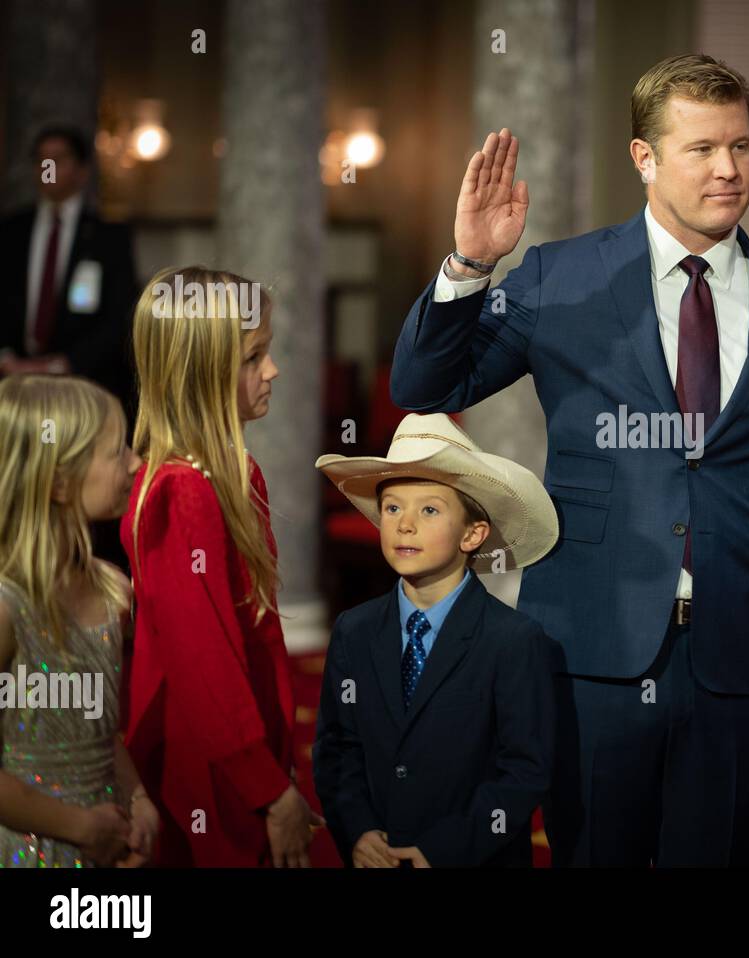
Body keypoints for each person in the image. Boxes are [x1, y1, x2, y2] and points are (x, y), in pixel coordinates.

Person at [390, 54, 749, 866]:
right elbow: (426, 381)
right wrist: (471, 266)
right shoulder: (559, 277)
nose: (729, 169)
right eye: (702, 149)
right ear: (644, 158)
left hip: (735, 660)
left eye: (742, 147)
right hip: (591, 654)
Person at [121, 266, 321, 866]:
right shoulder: (179, 492)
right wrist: (266, 789)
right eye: (254, 356)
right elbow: (202, 661)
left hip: (247, 750)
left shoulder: (235, 473)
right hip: (207, 772)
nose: (273, 370)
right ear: (202, 371)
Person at [313, 413, 559, 867]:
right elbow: (337, 748)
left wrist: (444, 850)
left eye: (429, 509)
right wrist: (358, 829)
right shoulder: (354, 630)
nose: (405, 524)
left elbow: (524, 771)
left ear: (473, 533)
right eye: (392, 508)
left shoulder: (513, 640)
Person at [0, 374, 160, 867]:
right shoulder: (7, 607)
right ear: (59, 481)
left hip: (103, 845)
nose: (137, 463)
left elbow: (99, 730)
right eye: (117, 452)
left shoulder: (112, 590)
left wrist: (137, 801)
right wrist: (79, 827)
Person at [0, 125, 138, 415]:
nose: (47, 168)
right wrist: (7, 358)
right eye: (42, 160)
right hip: (13, 386)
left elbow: (119, 316)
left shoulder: (107, 237)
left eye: (58, 160)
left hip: (83, 388)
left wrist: (63, 364)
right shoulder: (11, 231)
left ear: (82, 170)